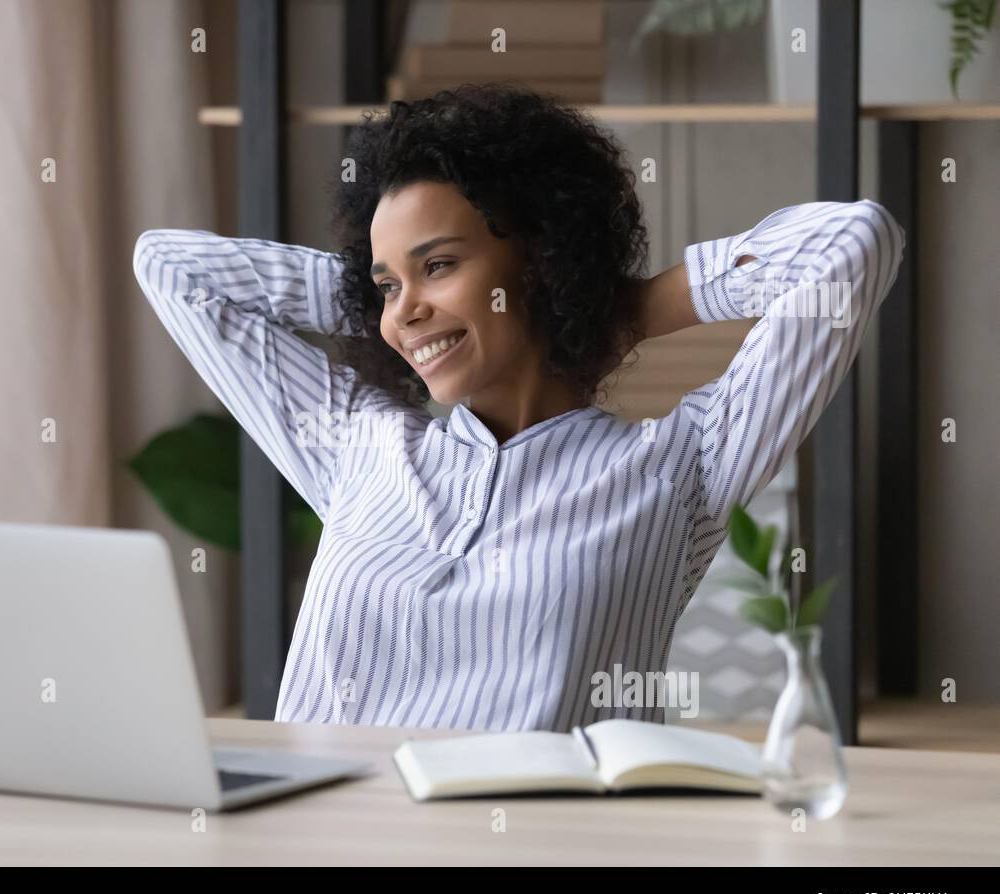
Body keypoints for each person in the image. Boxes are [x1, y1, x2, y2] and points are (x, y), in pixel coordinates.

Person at [133, 83, 905, 732]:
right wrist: (382, 302)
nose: (401, 313)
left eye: (438, 265)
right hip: (309, 841)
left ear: (541, 260)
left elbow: (851, 244)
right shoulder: (357, 447)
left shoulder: (683, 469)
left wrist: (618, 306)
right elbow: (169, 268)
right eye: (386, 283)